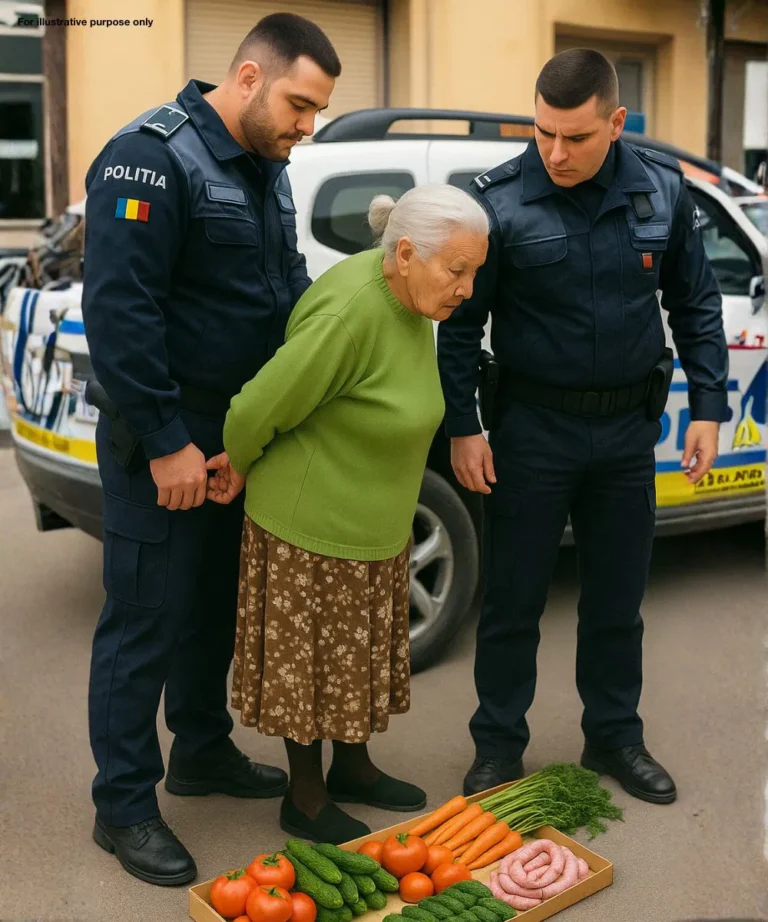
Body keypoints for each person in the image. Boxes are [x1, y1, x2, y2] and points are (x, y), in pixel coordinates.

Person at [81, 13, 340, 886]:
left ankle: (200, 749)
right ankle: (122, 805)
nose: (308, 126)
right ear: (249, 77)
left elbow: (284, 286)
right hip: (163, 438)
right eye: (300, 104)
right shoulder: (150, 157)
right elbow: (121, 312)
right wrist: (166, 444)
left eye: (317, 111)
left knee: (211, 610)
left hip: (236, 439)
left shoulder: (266, 167)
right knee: (143, 619)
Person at [437, 49, 728, 805]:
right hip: (532, 432)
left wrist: (707, 407)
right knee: (512, 603)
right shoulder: (496, 202)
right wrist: (464, 426)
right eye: (543, 133)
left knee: (616, 604)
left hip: (627, 434)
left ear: (617, 123)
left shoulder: (662, 194)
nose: (555, 152)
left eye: (575, 137)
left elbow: (696, 303)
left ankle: (614, 738)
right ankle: (498, 747)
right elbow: (460, 326)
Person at [204, 184, 489, 843]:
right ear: (407, 253)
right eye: (458, 270)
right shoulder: (351, 312)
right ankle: (304, 799)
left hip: (372, 524)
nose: (468, 288)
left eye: (475, 271)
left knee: (351, 660)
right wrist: (239, 461)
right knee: (309, 669)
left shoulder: (409, 294)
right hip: (312, 525)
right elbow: (256, 406)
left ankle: (353, 768)